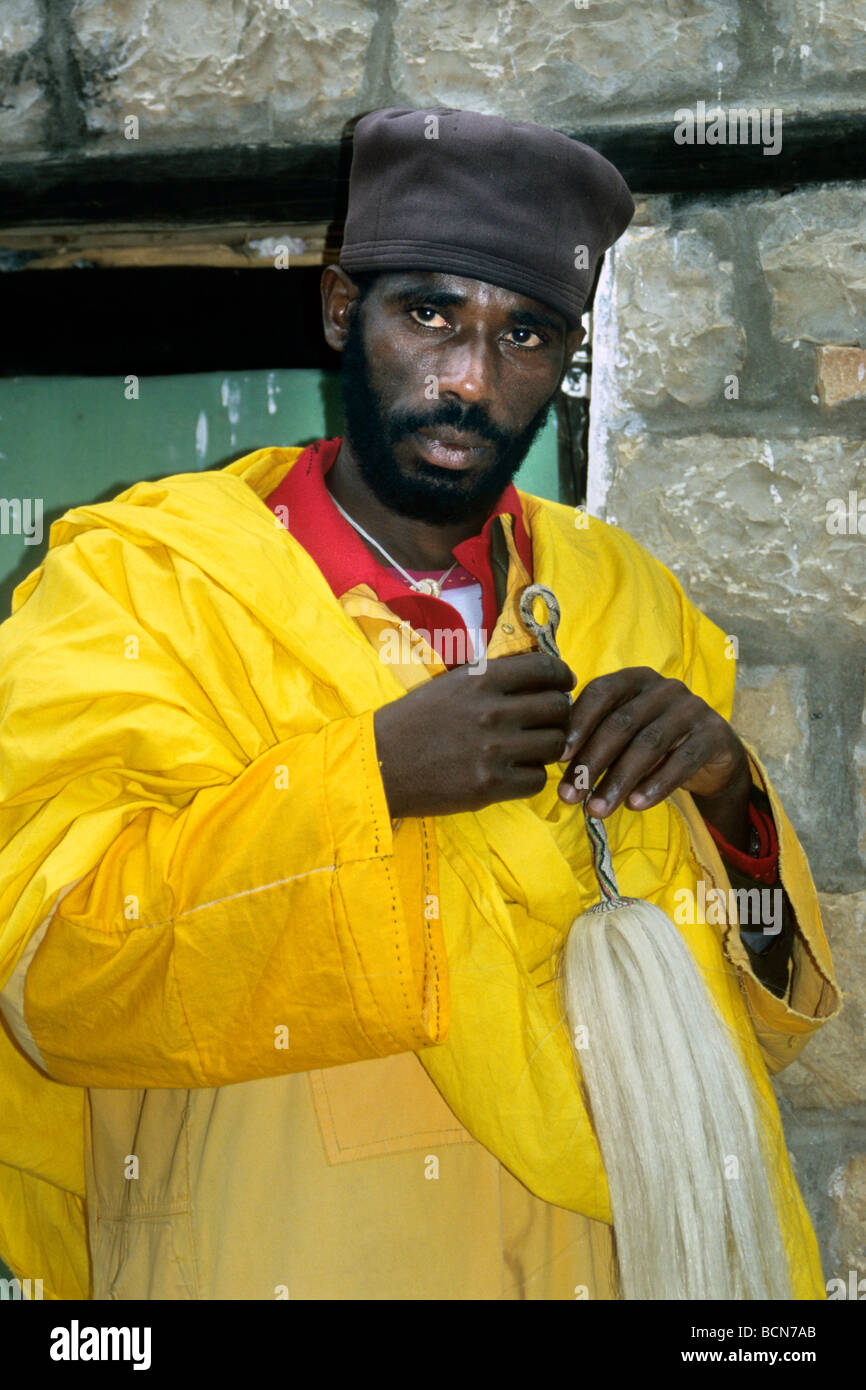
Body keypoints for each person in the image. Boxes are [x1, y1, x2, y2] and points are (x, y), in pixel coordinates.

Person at [0, 107, 840, 1301]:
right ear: (345, 309)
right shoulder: (144, 584)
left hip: (615, 1258)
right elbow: (53, 968)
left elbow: (752, 1012)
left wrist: (725, 799)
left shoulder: (622, 597)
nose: (468, 379)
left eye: (526, 335)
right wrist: (367, 781)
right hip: (292, 1252)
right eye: (430, 313)